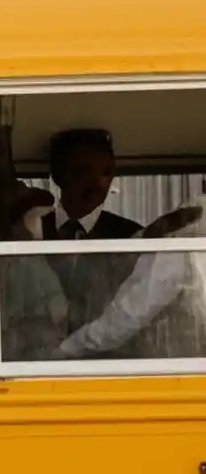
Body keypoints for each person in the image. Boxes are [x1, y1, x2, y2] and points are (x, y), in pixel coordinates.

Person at [55, 199, 206, 360]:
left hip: (177, 367)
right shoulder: (186, 220)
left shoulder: (179, 241)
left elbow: (129, 315)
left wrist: (67, 349)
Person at [36, 129, 143, 346]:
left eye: (106, 173)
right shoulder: (30, 232)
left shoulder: (131, 236)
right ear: (58, 176)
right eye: (83, 172)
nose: (97, 183)